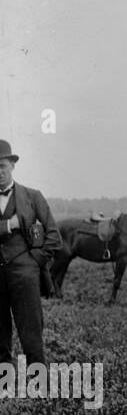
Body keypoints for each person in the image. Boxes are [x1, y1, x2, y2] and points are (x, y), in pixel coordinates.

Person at [0, 140, 62, 366]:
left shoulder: (33, 196)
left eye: (2, 166)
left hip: (25, 277)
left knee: (32, 337)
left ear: (12, 166)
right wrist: (8, 226)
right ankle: (4, 394)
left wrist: (33, 262)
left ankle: (39, 392)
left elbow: (54, 237)